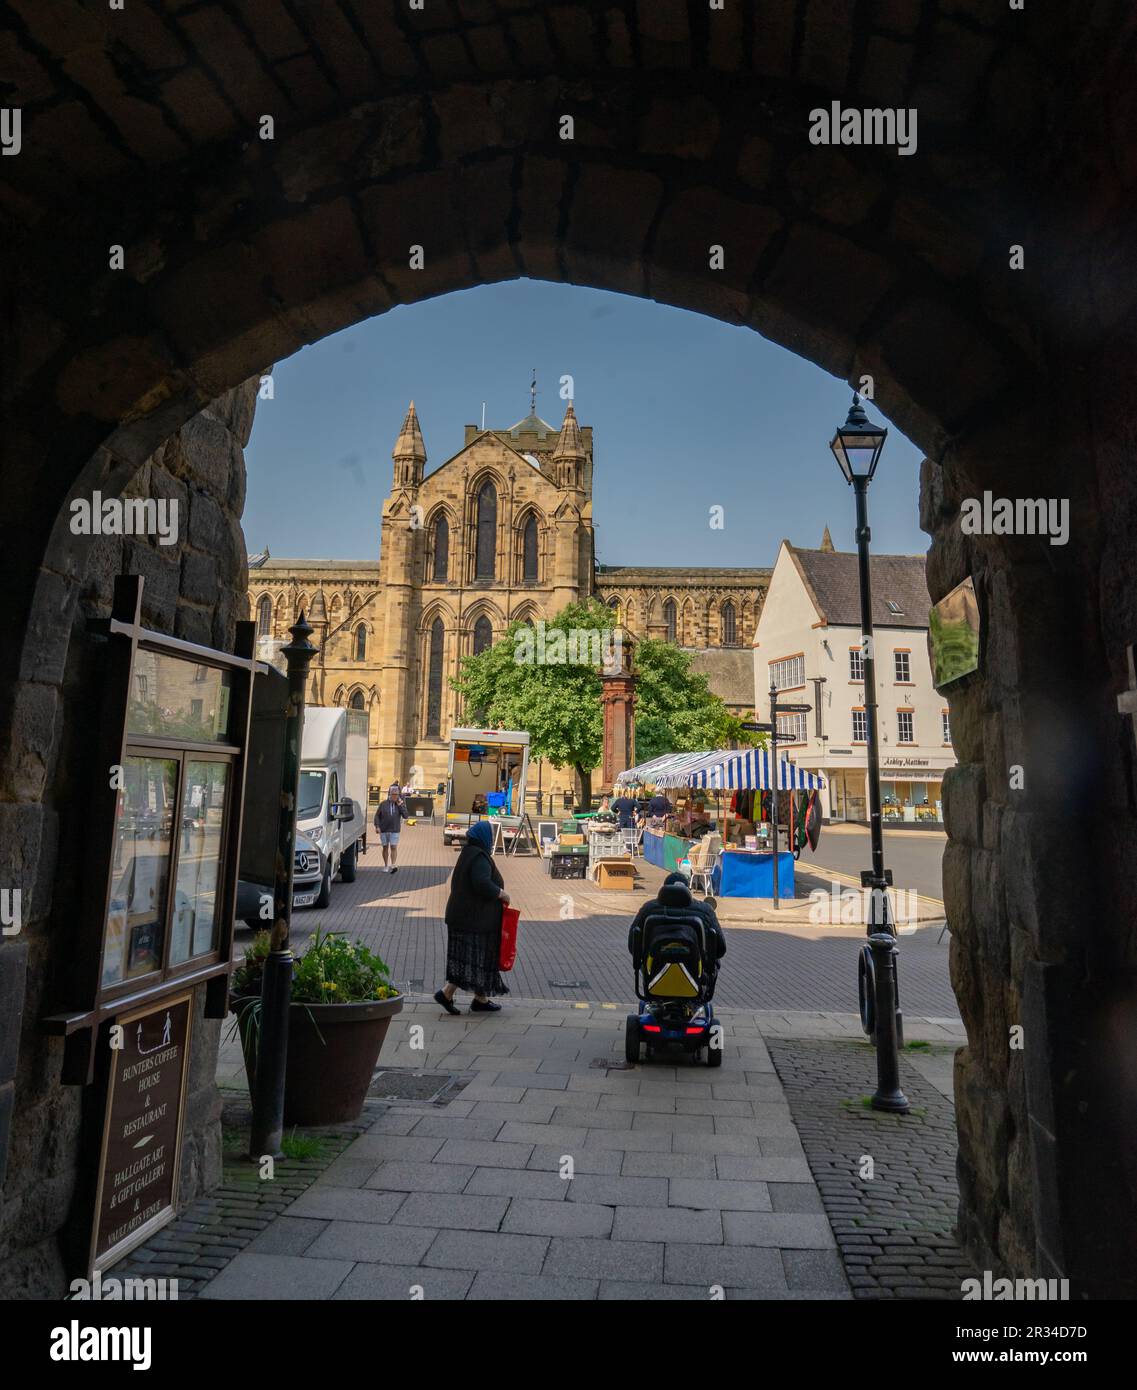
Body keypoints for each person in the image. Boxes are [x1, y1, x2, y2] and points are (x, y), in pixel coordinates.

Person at [435, 820, 510, 1015]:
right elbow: (482, 883)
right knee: (476, 958)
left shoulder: (470, 852)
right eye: (491, 837)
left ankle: (476, 998)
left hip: (466, 917)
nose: (492, 840)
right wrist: (501, 893)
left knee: (471, 959)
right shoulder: (479, 857)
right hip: (474, 920)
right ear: (485, 838)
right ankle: (454, 995)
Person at [627, 871, 727, 968]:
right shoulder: (705, 910)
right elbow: (720, 948)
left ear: (664, 888)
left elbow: (633, 944)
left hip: (654, 970)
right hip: (696, 974)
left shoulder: (649, 909)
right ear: (688, 890)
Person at [373, 783, 408, 873]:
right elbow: (377, 816)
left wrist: (401, 805)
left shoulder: (400, 804)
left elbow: (406, 816)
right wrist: (377, 826)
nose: (395, 796)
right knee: (385, 847)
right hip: (384, 829)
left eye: (397, 795)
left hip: (395, 829)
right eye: (393, 794)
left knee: (393, 846)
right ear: (390, 794)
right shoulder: (383, 804)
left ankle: (393, 864)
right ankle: (385, 865)